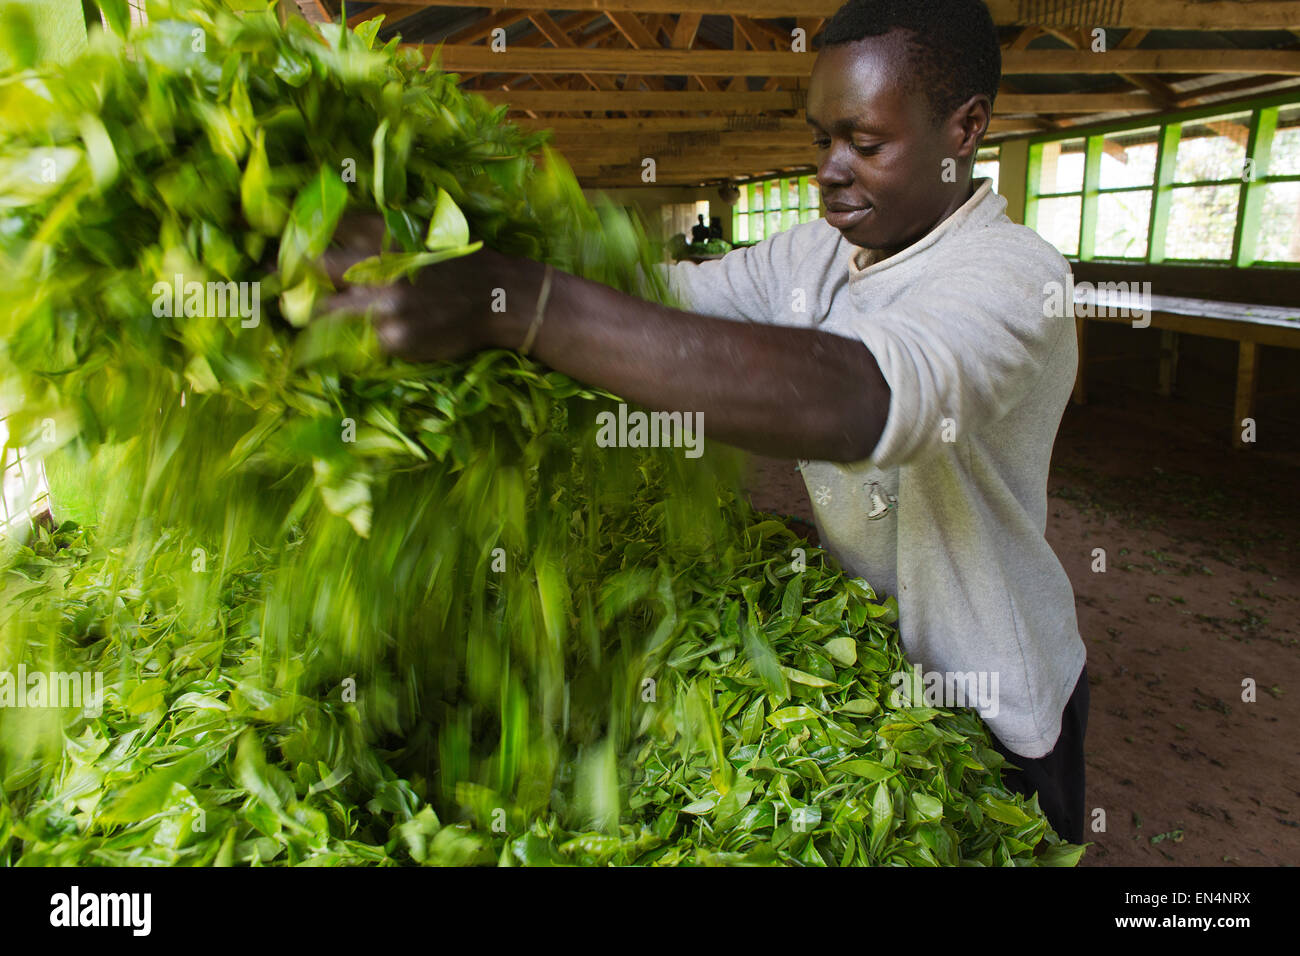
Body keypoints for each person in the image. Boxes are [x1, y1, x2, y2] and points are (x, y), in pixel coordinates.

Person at [322, 0, 1089, 845]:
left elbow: (862, 397)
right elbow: (659, 297)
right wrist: (444, 246)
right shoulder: (814, 255)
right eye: (819, 139)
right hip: (877, 660)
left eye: (865, 144)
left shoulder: (1014, 274)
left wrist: (522, 305)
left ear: (965, 129)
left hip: (993, 694)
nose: (831, 169)